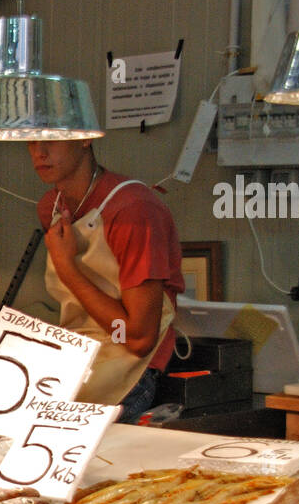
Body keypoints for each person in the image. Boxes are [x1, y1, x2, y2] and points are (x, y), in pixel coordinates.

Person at [29, 138, 184, 422]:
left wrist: (67, 269)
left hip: (130, 366)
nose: (39, 152)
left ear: (85, 137)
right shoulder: (51, 207)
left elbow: (136, 338)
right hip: (78, 358)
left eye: (52, 139)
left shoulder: (133, 210)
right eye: (31, 140)